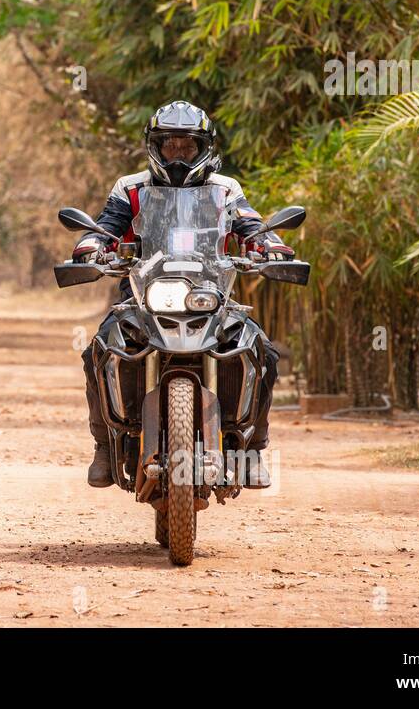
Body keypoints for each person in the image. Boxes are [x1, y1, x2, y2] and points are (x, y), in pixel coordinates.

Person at [73, 101, 294, 489]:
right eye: (169, 146)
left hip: (211, 294)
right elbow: (108, 225)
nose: (177, 155)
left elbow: (250, 224)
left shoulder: (225, 189)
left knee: (265, 352)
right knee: (97, 349)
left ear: (203, 147)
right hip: (143, 295)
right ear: (154, 146)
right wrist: (92, 244)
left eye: (186, 147)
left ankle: (254, 449)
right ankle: (104, 448)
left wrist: (268, 244)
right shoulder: (130, 187)